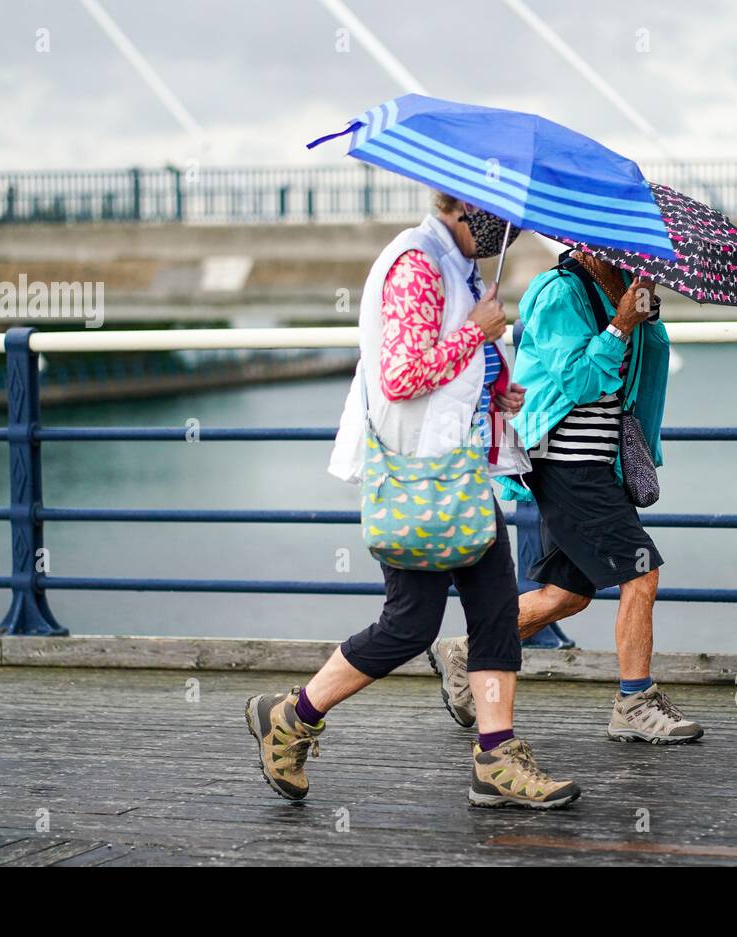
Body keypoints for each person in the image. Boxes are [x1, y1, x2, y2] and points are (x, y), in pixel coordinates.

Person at [244, 193, 581, 809]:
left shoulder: (456, 265)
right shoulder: (416, 266)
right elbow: (402, 375)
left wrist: (496, 384)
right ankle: (290, 716)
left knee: (495, 611)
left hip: (458, 475)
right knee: (411, 624)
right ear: (457, 206)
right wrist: (475, 333)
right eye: (497, 221)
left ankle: (496, 758)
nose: (506, 235)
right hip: (418, 478)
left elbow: (447, 365)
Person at [428, 248, 704, 744]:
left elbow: (646, 366)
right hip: (564, 461)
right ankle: (634, 702)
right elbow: (577, 381)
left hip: (601, 461)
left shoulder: (615, 282)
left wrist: (643, 311)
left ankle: (466, 652)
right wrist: (621, 324)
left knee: (568, 595)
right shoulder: (558, 291)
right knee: (641, 572)